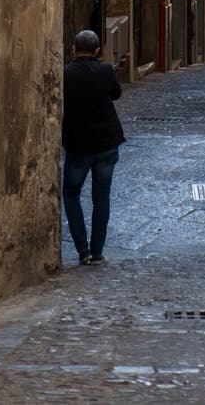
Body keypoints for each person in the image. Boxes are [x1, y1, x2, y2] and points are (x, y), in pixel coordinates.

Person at [62, 29, 125, 266]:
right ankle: (97, 251)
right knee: (101, 197)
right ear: (97, 50)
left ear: (73, 50)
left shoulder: (65, 73)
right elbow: (116, 93)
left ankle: (82, 250)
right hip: (106, 143)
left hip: (78, 144)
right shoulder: (106, 70)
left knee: (71, 194)